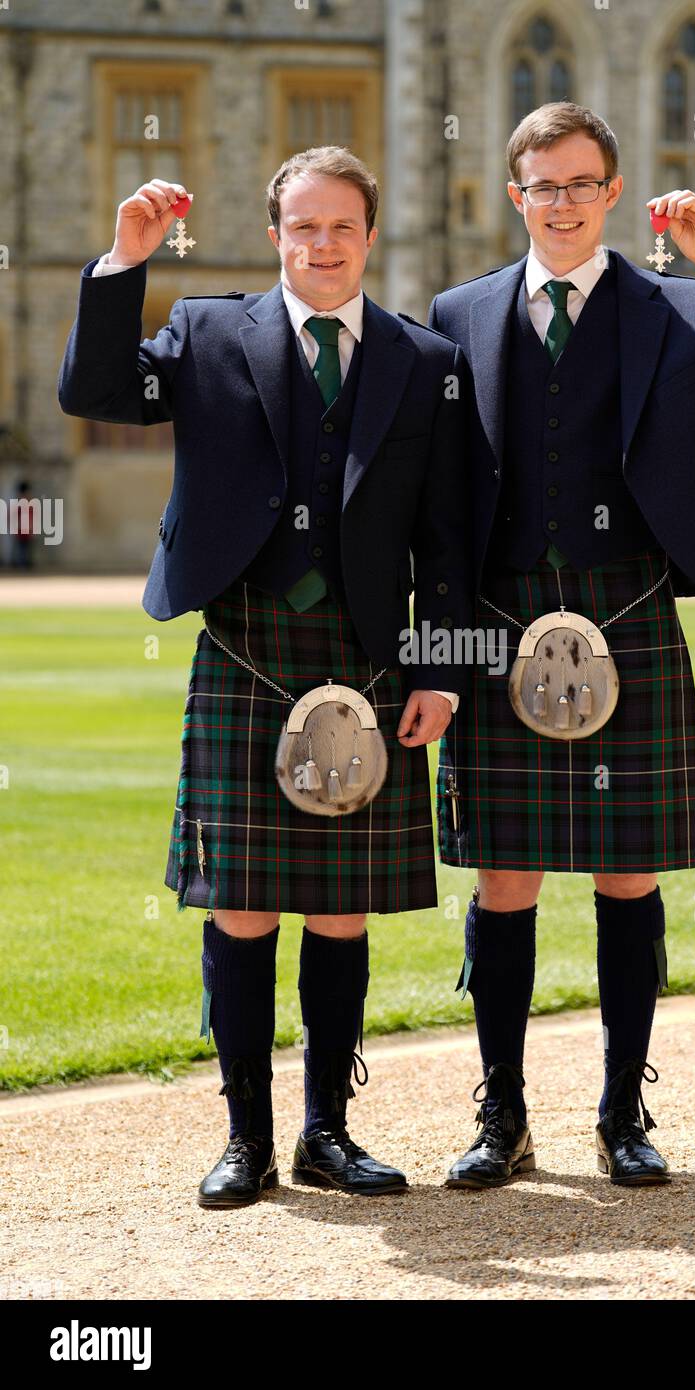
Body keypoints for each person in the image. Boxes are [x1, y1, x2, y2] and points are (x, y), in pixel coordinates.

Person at [58, 147, 473, 1207]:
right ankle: (245, 1138)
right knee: (241, 905)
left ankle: (326, 1131)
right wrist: (124, 262)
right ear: (276, 233)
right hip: (247, 649)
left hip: (371, 661)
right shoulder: (204, 331)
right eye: (303, 227)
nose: (322, 244)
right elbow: (96, 387)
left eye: (341, 227)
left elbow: (448, 534)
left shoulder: (421, 361)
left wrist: (438, 666)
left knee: (342, 911)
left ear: (369, 235)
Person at [429, 101, 695, 1189]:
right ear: (516, 195)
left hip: (630, 611)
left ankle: (622, 1112)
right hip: (503, 622)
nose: (561, 202)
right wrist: (439, 653)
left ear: (611, 192)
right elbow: (443, 503)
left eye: (582, 183)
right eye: (542, 184)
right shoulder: (457, 312)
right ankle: (503, 1115)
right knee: (506, 880)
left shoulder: (679, 311)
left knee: (628, 876)